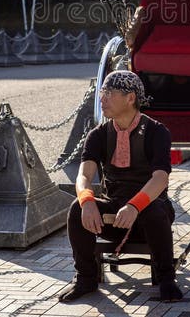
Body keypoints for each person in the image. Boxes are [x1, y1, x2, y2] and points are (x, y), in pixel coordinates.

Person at [59, 70, 182, 303]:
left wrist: (135, 206)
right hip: (114, 214)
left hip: (150, 213)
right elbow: (84, 175)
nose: (102, 99)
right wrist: (87, 201)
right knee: (77, 209)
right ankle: (85, 278)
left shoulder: (157, 131)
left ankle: (167, 279)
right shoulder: (98, 135)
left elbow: (160, 178)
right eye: (102, 93)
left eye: (109, 93)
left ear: (130, 98)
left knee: (155, 210)